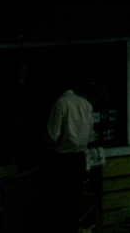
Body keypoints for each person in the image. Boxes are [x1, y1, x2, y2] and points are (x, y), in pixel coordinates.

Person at [45, 84, 94, 232]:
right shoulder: (86, 105)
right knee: (74, 204)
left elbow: (53, 136)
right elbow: (90, 135)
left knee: (58, 205)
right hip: (79, 159)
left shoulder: (60, 104)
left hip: (61, 160)